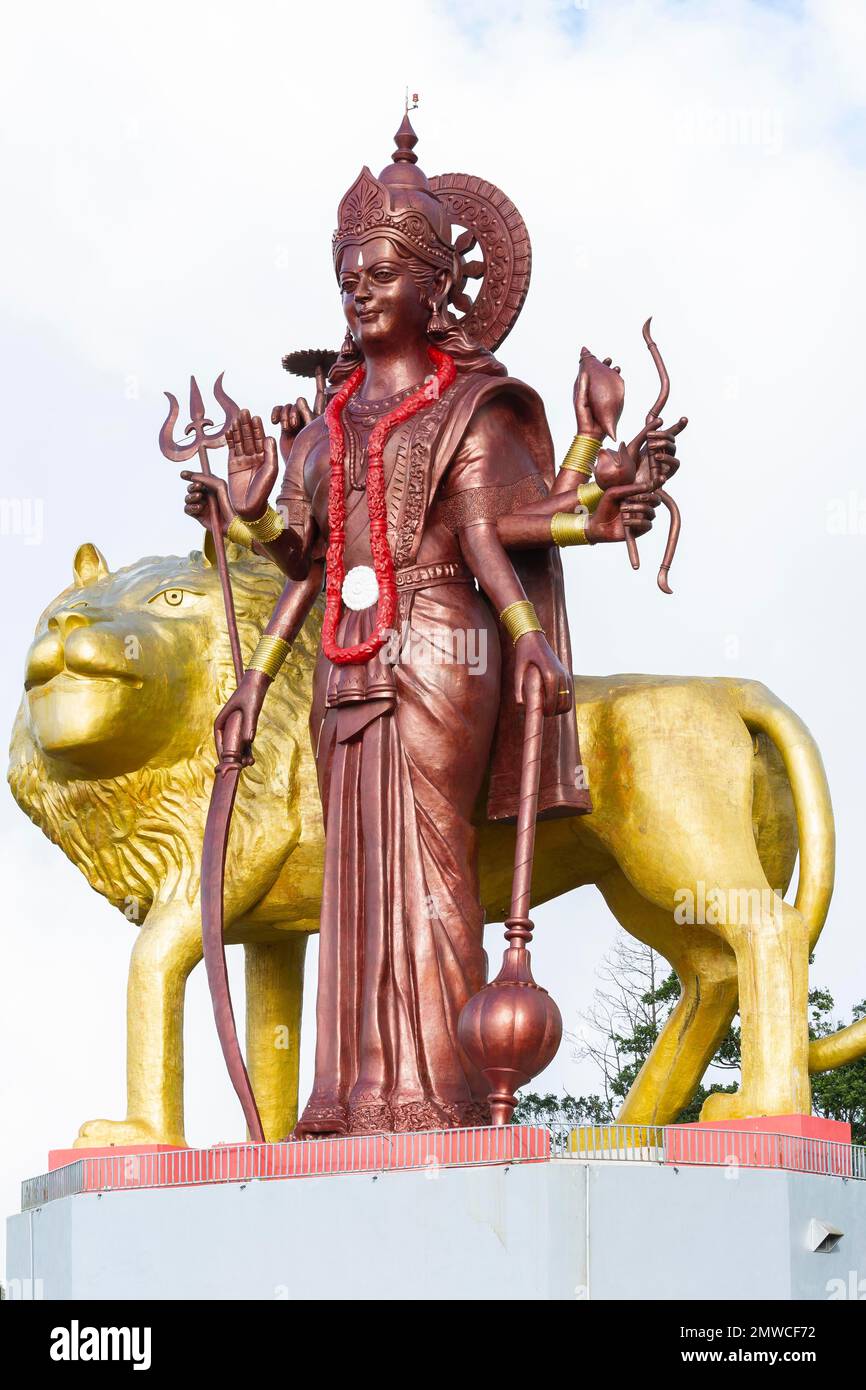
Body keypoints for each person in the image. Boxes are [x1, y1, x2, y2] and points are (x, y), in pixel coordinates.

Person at [183, 117, 678, 1136]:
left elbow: (499, 533)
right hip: (339, 666)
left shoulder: (473, 409)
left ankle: (437, 1091)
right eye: (346, 278)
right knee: (354, 870)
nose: (357, 293)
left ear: (434, 290)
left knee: (429, 863)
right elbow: (306, 565)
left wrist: (528, 622)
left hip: (442, 647)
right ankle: (350, 1096)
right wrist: (251, 541)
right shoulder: (326, 425)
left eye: (378, 276)